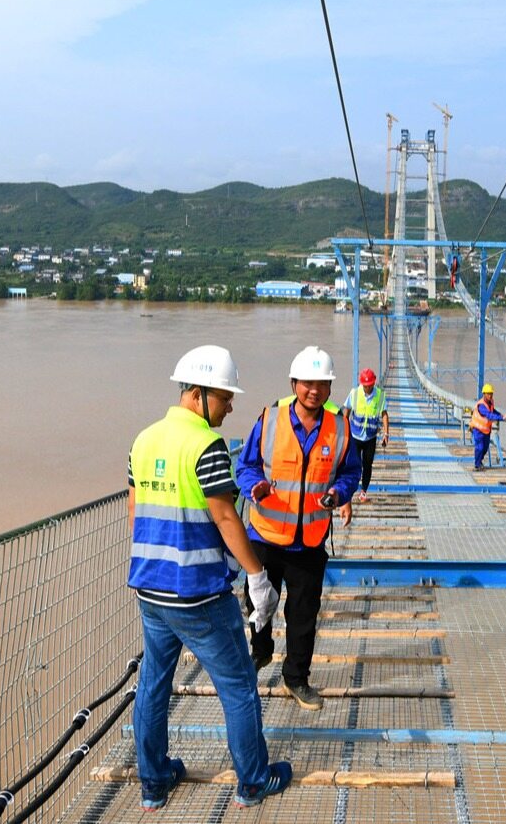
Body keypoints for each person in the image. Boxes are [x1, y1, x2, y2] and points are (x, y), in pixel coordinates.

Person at [127, 345, 292, 810]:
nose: (230, 407)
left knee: (154, 683)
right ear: (197, 394)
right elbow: (224, 517)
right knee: (238, 685)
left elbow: (136, 511)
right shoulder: (206, 446)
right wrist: (257, 577)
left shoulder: (143, 440)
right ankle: (254, 781)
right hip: (198, 593)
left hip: (150, 587)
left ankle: (153, 781)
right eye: (224, 397)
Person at [235, 346, 361, 711]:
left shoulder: (340, 428)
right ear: (294, 383)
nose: (314, 391)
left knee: (303, 616)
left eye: (322, 384)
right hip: (266, 536)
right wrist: (254, 486)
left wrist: (339, 493)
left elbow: (350, 471)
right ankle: (261, 651)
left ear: (330, 388)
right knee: (258, 604)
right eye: (307, 383)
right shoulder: (269, 420)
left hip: (309, 542)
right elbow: (245, 466)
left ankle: (296, 678)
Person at [342, 367, 389, 502]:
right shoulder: (355, 393)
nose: (367, 388)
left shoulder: (380, 395)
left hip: (370, 437)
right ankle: (350, 489)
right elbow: (346, 412)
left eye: (369, 385)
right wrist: (344, 431)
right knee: (354, 464)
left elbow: (384, 414)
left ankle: (363, 491)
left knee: (367, 464)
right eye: (365, 385)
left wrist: (386, 433)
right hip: (355, 436)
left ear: (374, 383)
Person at [470, 383, 504, 470]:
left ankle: (479, 461)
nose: (490, 395)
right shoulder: (481, 405)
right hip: (478, 429)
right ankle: (477, 465)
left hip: (486, 430)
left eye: (491, 393)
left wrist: (500, 415)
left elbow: (492, 411)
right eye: (488, 394)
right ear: (484, 394)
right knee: (480, 447)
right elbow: (489, 415)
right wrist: (501, 418)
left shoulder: (490, 403)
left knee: (485, 448)